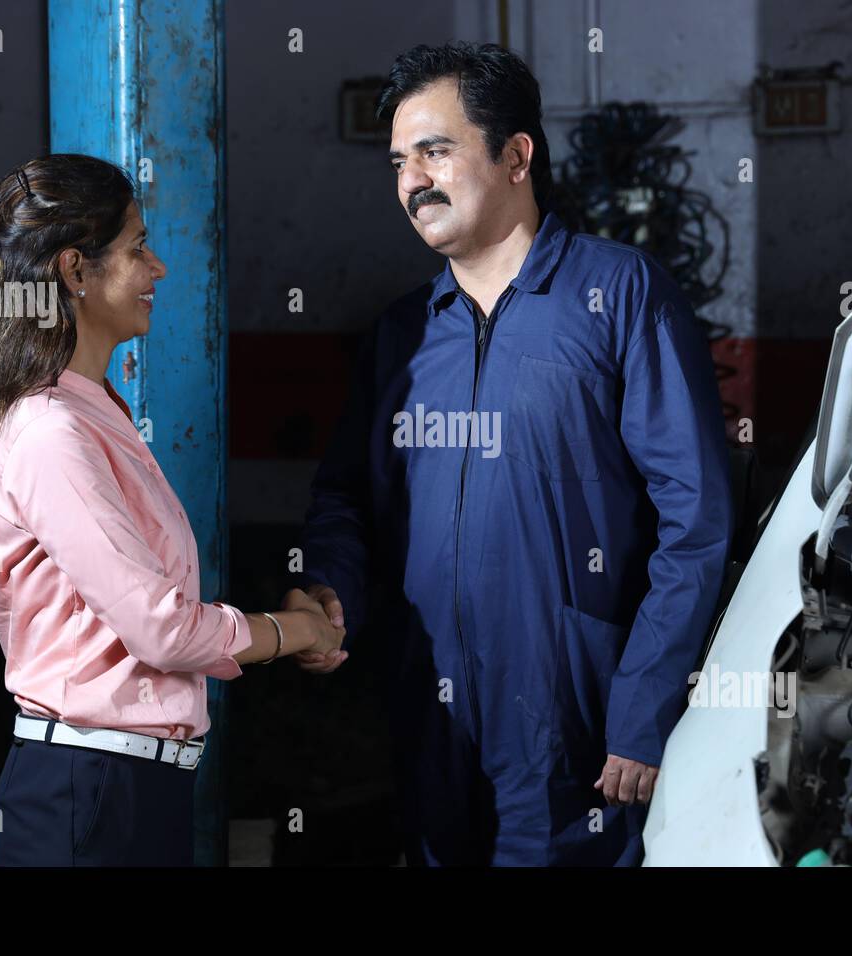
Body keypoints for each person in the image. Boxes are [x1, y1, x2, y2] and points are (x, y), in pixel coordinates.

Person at [294, 43, 733, 865]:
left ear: (516, 155)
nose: (412, 181)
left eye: (435, 150)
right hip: (430, 714)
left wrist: (642, 704)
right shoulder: (404, 332)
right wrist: (330, 589)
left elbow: (696, 518)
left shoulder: (620, 296)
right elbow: (346, 495)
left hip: (577, 725)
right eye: (398, 162)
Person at [0, 154, 343, 866]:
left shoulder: (90, 411)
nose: (159, 269)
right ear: (74, 272)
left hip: (126, 786)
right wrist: (294, 630)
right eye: (137, 247)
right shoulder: (50, 430)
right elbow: (163, 632)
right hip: (90, 793)